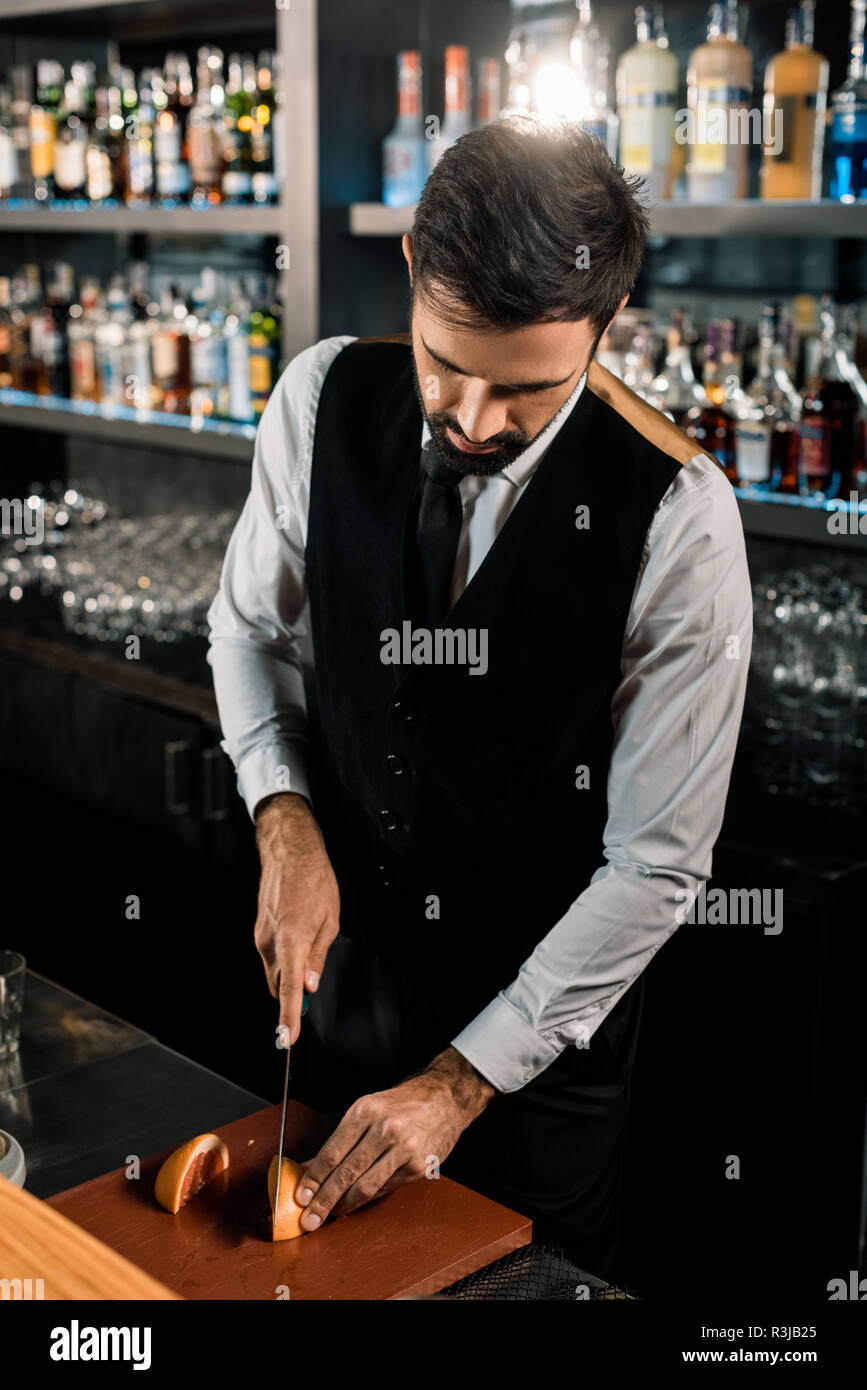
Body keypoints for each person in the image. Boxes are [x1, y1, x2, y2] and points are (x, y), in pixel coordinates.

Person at [207, 117, 752, 1280]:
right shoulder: (318, 399)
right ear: (411, 264)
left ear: (606, 327)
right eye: (443, 360)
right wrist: (284, 816)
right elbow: (249, 629)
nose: (470, 417)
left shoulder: (680, 519)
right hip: (338, 1016)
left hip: (529, 1085)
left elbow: (657, 863)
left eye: (528, 389)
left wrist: (461, 1083)